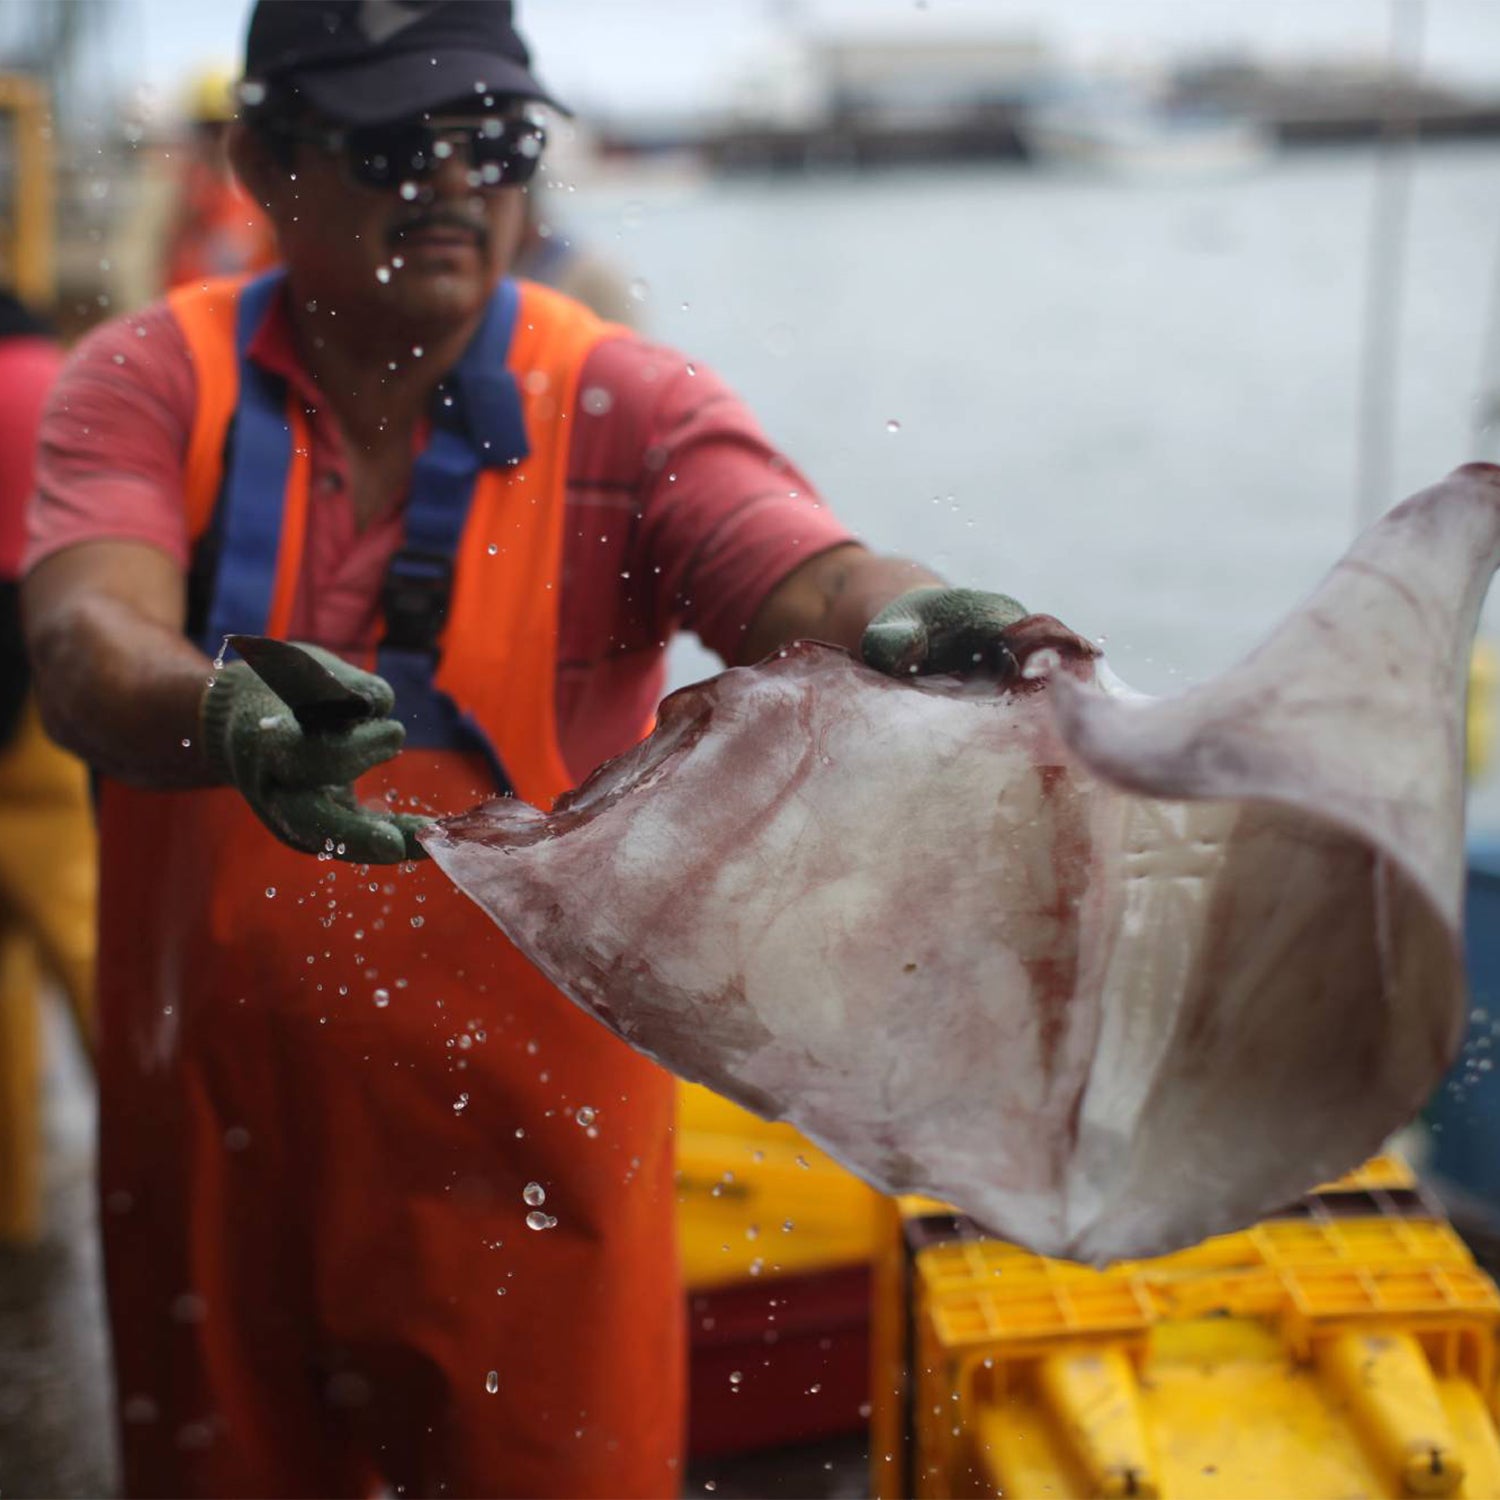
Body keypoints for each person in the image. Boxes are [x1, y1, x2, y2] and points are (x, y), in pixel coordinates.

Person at [22, 3, 1029, 1494]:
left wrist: (912, 619)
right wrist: (215, 714)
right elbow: (86, 648)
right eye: (388, 141)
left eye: (490, 139)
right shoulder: (148, 379)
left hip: (535, 1187)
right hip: (210, 1168)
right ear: (263, 161)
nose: (451, 182)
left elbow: (798, 576)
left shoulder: (629, 402)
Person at [0, 290, 95, 1246]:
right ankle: (186, 1180)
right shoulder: (63, 386)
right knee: (85, 944)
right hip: (41, 711)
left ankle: (7, 1214)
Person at [159, 66, 279, 291]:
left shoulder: (262, 190)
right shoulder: (190, 193)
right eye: (208, 129)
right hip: (195, 313)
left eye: (222, 128)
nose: (216, 140)